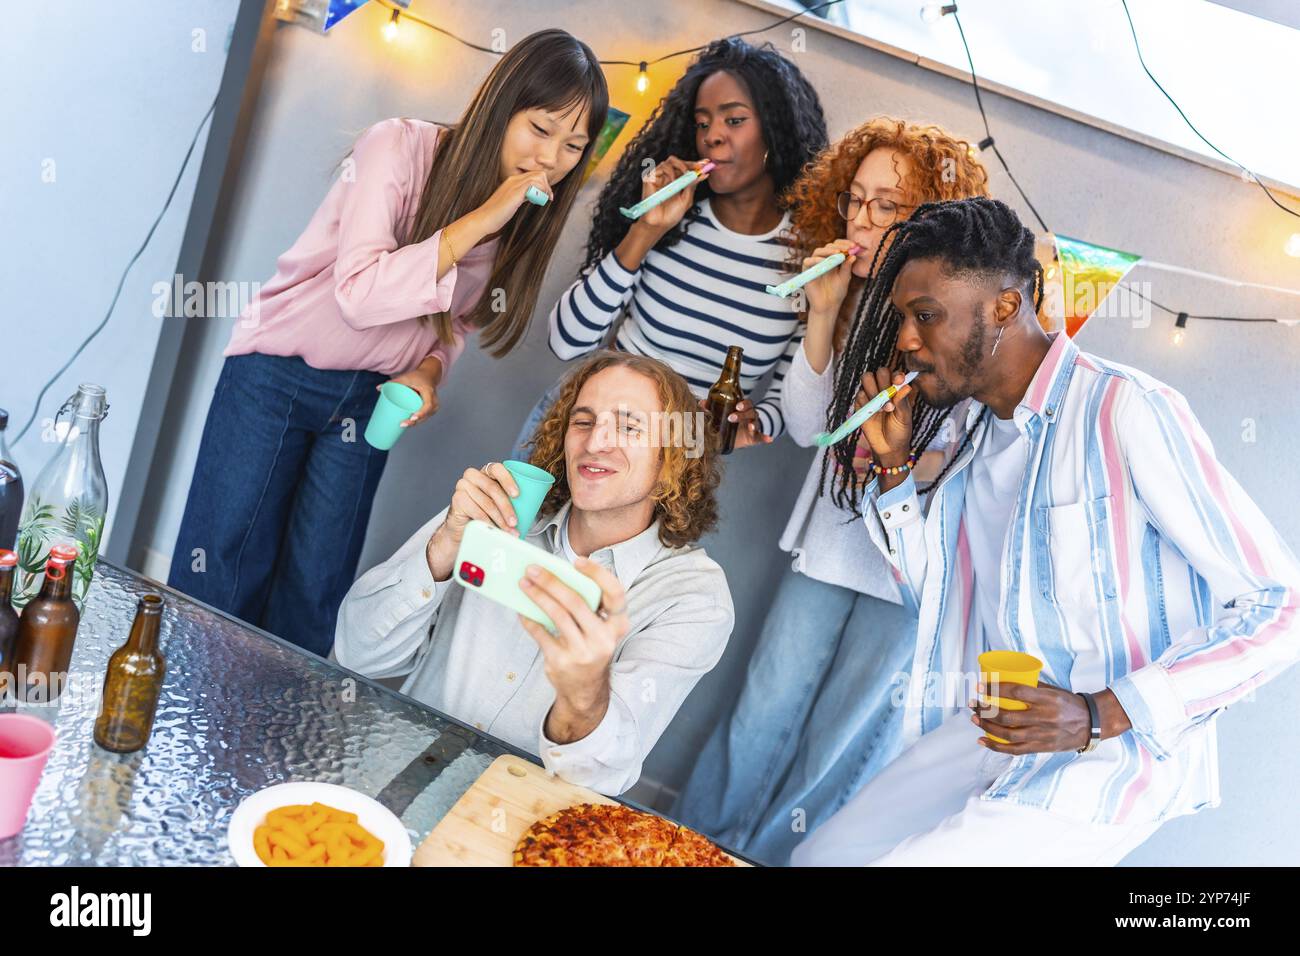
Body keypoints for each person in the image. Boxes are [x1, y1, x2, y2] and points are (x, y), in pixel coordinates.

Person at [790, 197, 1300, 865]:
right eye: (903, 319)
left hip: (1108, 758)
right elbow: (933, 589)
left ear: (1004, 306)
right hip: (995, 731)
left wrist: (1096, 713)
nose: (907, 340)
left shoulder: (1125, 409)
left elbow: (1281, 607)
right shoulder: (972, 433)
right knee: (821, 857)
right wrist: (893, 470)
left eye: (925, 316)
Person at [167, 31, 608, 655]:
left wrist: (428, 372)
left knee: (314, 594)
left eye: (573, 146)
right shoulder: (396, 146)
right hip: (275, 376)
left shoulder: (523, 216)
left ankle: (263, 745)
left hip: (370, 404)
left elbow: (454, 325)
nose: (553, 160)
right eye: (540, 129)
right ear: (501, 105)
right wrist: (486, 216)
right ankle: (177, 729)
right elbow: (358, 295)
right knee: (222, 572)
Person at [675, 119, 989, 864]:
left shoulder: (972, 322)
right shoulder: (853, 302)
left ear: (932, 219)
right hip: (830, 547)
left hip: (912, 574)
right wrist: (821, 314)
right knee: (759, 714)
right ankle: (690, 850)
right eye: (854, 200)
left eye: (886, 204)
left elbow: (964, 459)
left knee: (836, 748)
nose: (860, 219)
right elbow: (810, 429)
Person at [334, 352, 734, 795]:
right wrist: (446, 544)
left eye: (628, 426)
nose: (595, 442)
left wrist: (583, 690)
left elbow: (603, 773)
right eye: (583, 422)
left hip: (512, 828)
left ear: (672, 461)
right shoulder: (496, 510)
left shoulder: (694, 598)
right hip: (388, 777)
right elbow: (358, 654)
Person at [512, 37, 829, 458]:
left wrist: (750, 424)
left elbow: (788, 401)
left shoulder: (807, 259)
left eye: (733, 120)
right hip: (584, 429)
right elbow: (567, 341)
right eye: (702, 124)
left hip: (678, 464)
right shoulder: (673, 218)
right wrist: (647, 229)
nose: (712, 136)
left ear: (776, 129)